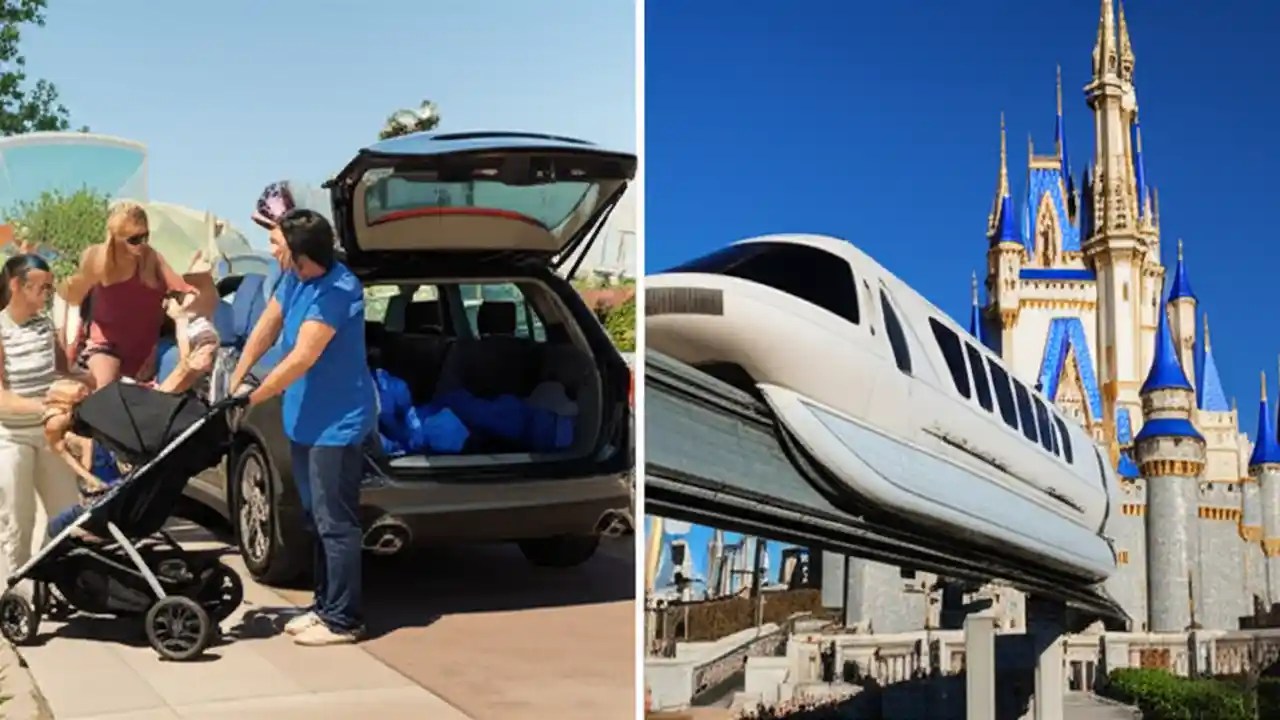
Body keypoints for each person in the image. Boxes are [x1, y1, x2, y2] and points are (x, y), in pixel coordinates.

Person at [229, 208, 375, 647]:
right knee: (315, 517)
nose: (272, 250)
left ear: (299, 253)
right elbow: (268, 324)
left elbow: (302, 357)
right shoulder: (295, 278)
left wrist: (252, 396)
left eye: (277, 245)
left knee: (336, 521)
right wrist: (239, 372)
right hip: (304, 419)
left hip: (338, 424)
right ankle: (324, 606)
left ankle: (345, 619)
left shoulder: (338, 291)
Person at [43, 297, 221, 540]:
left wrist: (180, 322)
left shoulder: (170, 380)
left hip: (120, 501)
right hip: (140, 470)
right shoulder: (163, 363)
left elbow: (186, 368)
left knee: (57, 528)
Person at [0, 254, 87, 593]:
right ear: (17, 286)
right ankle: (17, 595)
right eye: (43, 287)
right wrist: (46, 404)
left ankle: (51, 582)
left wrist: (92, 382)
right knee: (18, 520)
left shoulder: (43, 324)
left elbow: (63, 369)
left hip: (50, 431)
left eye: (50, 287)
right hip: (9, 435)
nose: (48, 293)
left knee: (66, 514)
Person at [63, 201, 199, 389]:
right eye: (134, 239)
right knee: (106, 391)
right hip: (106, 345)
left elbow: (184, 292)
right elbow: (72, 299)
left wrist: (187, 301)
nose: (142, 244)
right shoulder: (96, 259)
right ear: (115, 238)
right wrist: (69, 349)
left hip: (146, 349)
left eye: (146, 236)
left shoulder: (152, 259)